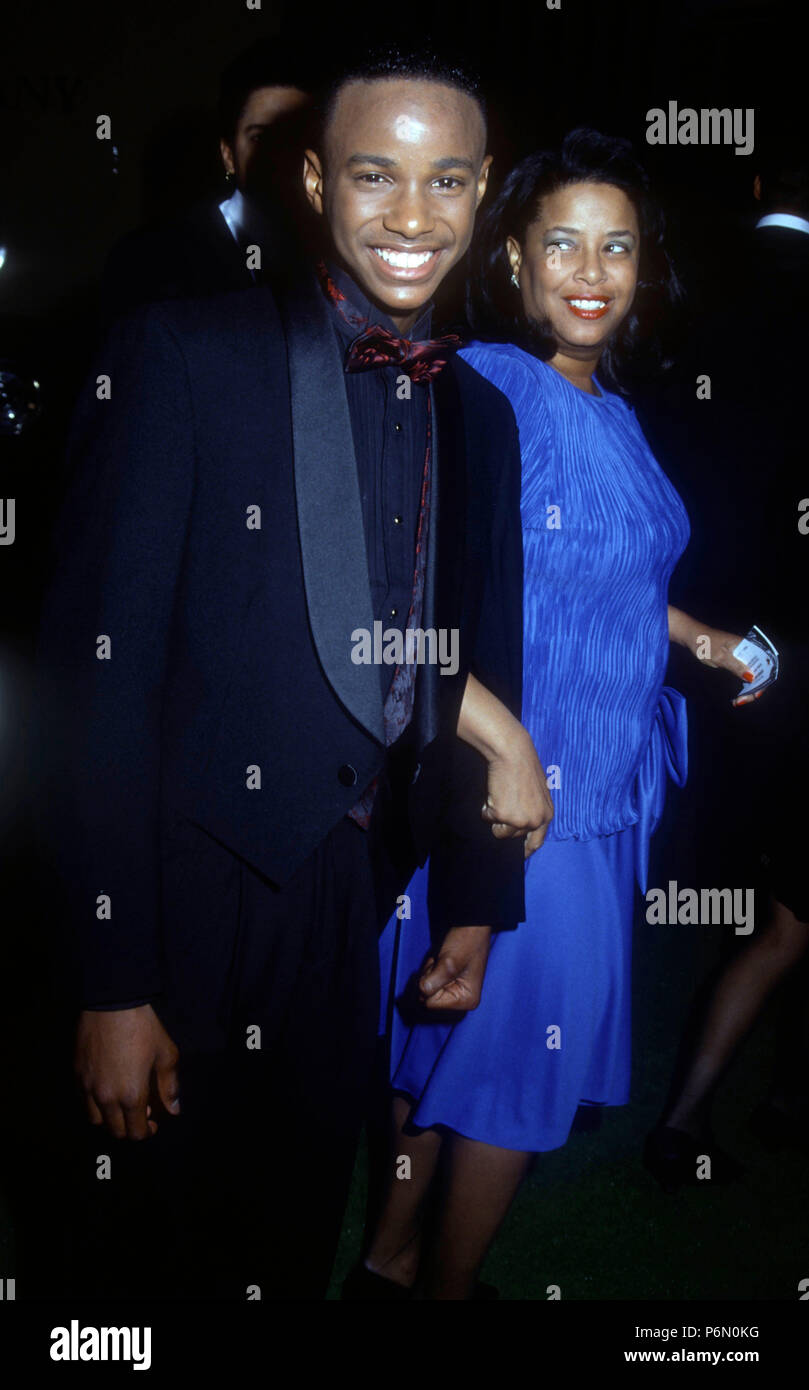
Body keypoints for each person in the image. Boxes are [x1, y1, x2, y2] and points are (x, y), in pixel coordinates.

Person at [33, 46, 552, 1302]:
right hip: (188, 885)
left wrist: (475, 899)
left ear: (482, 193)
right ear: (314, 180)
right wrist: (113, 979)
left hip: (357, 893)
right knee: (140, 1259)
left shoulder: (478, 413)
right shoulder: (183, 353)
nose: (413, 215)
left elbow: (485, 655)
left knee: (288, 1223)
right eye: (376, 174)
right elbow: (92, 684)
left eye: (446, 181)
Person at [353, 129, 758, 1301]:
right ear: (515, 264)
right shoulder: (486, 386)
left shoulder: (608, 405)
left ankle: (385, 1263)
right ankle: (440, 1287)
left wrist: (698, 638)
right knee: (512, 1081)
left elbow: (602, 577)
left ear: (643, 269)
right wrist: (500, 755)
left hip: (601, 781)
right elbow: (411, 592)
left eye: (615, 245)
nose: (590, 269)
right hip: (522, 792)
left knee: (455, 1052)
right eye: (561, 244)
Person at [642, 132, 809, 1189]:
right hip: (771, 621)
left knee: (747, 862)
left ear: (758, 187)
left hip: (708, 608)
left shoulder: (697, 300)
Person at [101, 37, 316, 324]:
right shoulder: (149, 260)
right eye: (260, 137)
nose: (280, 156)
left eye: (296, 137)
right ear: (228, 154)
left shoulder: (340, 250)